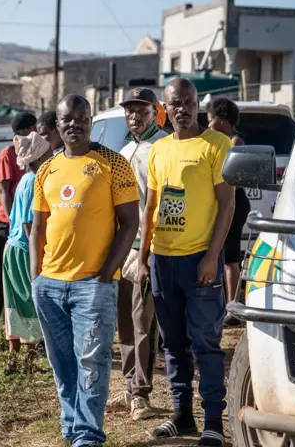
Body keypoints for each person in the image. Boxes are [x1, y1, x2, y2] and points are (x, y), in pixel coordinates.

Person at [29, 95, 140, 447]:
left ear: (91, 121)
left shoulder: (114, 163)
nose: (73, 123)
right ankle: (71, 427)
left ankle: (88, 436)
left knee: (92, 362)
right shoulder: (46, 169)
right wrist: (37, 278)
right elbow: (37, 228)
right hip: (50, 285)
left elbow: (129, 224)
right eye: (66, 119)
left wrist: (107, 273)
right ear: (56, 126)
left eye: (80, 117)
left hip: (93, 284)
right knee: (63, 365)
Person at [137, 78, 234, 446]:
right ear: (165, 107)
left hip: (199, 260)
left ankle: (213, 422)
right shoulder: (158, 150)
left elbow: (227, 205)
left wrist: (212, 258)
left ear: (198, 105)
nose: (183, 108)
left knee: (206, 343)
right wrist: (144, 259)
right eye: (176, 102)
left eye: (189, 102)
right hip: (163, 260)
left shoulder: (216, 145)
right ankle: (182, 415)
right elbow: (150, 207)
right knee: (173, 344)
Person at [110, 88, 168, 421]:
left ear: (155, 111)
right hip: (122, 249)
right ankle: (130, 386)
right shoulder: (125, 148)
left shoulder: (161, 147)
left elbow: (159, 204)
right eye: (130, 110)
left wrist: (147, 253)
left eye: (141, 110)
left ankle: (142, 394)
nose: (135, 116)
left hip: (146, 249)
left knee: (143, 323)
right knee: (125, 324)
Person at [1, 132, 52, 374]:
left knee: (13, 303)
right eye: (48, 154)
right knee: (29, 301)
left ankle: (13, 358)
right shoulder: (35, 181)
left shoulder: (24, 179)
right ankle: (29, 361)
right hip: (24, 249)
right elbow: (30, 224)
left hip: (12, 247)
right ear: (40, 157)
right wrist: (39, 256)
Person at [0, 112, 38, 333]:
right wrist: (11, 220)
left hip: (26, 221)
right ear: (26, 131)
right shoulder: (8, 153)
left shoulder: (38, 153)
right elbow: (3, 190)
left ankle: (24, 327)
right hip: (7, 222)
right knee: (2, 275)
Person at [206, 96, 252, 326]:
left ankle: (232, 308)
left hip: (234, 202)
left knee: (230, 256)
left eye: (210, 120)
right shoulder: (222, 142)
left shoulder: (234, 142)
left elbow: (227, 176)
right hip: (223, 201)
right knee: (223, 254)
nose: (208, 125)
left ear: (222, 120)